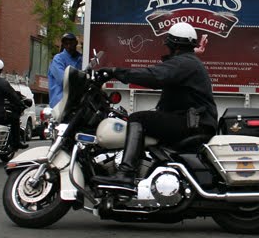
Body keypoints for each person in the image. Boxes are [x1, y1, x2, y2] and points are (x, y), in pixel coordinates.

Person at [92, 22, 218, 189]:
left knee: (138, 119)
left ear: (174, 45)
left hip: (193, 123)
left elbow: (155, 76)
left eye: (169, 45)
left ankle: (126, 173)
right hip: (194, 120)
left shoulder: (184, 63)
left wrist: (115, 72)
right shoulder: (187, 61)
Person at [48, 33, 82, 107]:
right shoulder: (58, 59)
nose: (69, 46)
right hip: (60, 103)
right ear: (63, 44)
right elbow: (64, 80)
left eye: (71, 43)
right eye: (66, 43)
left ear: (76, 43)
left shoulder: (81, 59)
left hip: (76, 103)